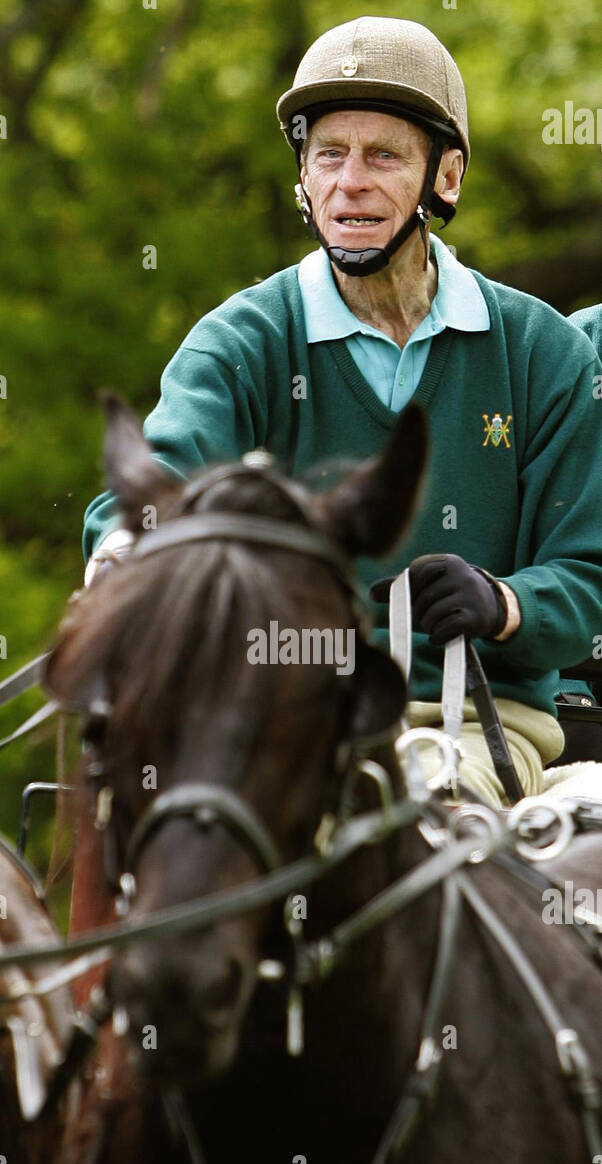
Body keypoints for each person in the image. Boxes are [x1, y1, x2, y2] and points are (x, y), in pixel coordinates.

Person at [82, 16, 602, 807]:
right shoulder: (239, 343)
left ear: (447, 175)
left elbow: (588, 579)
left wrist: (505, 605)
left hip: (477, 728)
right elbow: (154, 491)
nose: (348, 182)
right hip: (278, 724)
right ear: (304, 177)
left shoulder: (545, 354)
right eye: (328, 155)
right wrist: (131, 554)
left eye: (383, 156)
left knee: (413, 822)